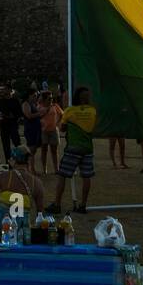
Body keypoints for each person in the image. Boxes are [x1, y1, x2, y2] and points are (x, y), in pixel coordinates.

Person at [50, 86, 97, 215]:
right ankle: (83, 205)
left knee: (62, 175)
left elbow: (63, 128)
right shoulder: (93, 111)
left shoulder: (70, 111)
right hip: (87, 148)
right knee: (86, 177)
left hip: (73, 148)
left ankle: (57, 204)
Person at [0, 146, 44, 241]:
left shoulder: (4, 176)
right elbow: (40, 214)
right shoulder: (36, 183)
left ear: (13, 160)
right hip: (20, 223)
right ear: (28, 160)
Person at [0, 84, 22, 163]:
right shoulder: (1, 101)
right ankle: (8, 163)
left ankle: (20, 162)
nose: (4, 91)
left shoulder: (15, 101)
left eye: (6, 89)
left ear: (10, 90)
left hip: (13, 125)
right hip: (4, 126)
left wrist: (12, 116)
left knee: (17, 144)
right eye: (3, 89)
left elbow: (20, 114)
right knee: (6, 147)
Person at [37, 90, 62, 176]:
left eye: (51, 98)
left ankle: (56, 169)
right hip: (43, 131)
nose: (51, 100)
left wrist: (58, 122)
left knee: (54, 151)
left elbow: (62, 114)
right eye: (49, 98)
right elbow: (37, 117)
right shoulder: (39, 107)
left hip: (53, 130)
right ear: (44, 99)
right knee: (44, 151)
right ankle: (44, 169)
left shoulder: (55, 106)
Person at [21, 89, 43, 159]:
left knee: (34, 149)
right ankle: (29, 166)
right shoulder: (25, 104)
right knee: (31, 148)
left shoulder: (34, 104)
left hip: (36, 128)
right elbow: (28, 115)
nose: (35, 97)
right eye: (34, 96)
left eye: (36, 96)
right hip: (30, 129)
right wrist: (39, 113)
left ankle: (31, 166)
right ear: (29, 96)